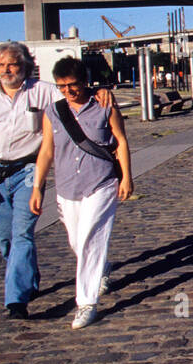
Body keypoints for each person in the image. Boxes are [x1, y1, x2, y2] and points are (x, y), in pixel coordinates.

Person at [0, 42, 112, 319]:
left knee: (22, 234)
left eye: (13, 63)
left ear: (25, 65)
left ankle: (15, 300)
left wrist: (100, 92)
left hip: (27, 169)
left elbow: (74, 94)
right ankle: (28, 280)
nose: (7, 69)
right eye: (2, 64)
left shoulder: (43, 92)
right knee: (7, 239)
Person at [29, 57, 132, 329]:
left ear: (84, 81)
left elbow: (120, 141)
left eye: (72, 85)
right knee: (78, 242)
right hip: (66, 187)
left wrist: (127, 178)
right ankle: (102, 267)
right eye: (62, 87)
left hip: (101, 182)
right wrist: (37, 188)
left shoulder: (103, 105)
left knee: (89, 238)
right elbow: (47, 151)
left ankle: (86, 303)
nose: (68, 91)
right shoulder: (53, 112)